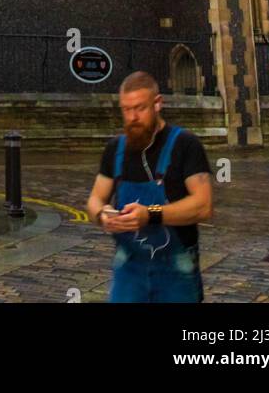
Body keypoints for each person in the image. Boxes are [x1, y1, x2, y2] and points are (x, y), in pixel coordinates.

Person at [87, 70, 213, 304]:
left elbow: (203, 205)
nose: (132, 117)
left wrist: (151, 215)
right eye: (126, 109)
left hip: (175, 270)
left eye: (140, 108)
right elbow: (96, 197)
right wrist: (102, 215)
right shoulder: (115, 149)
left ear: (157, 104)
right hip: (128, 268)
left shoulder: (186, 144)